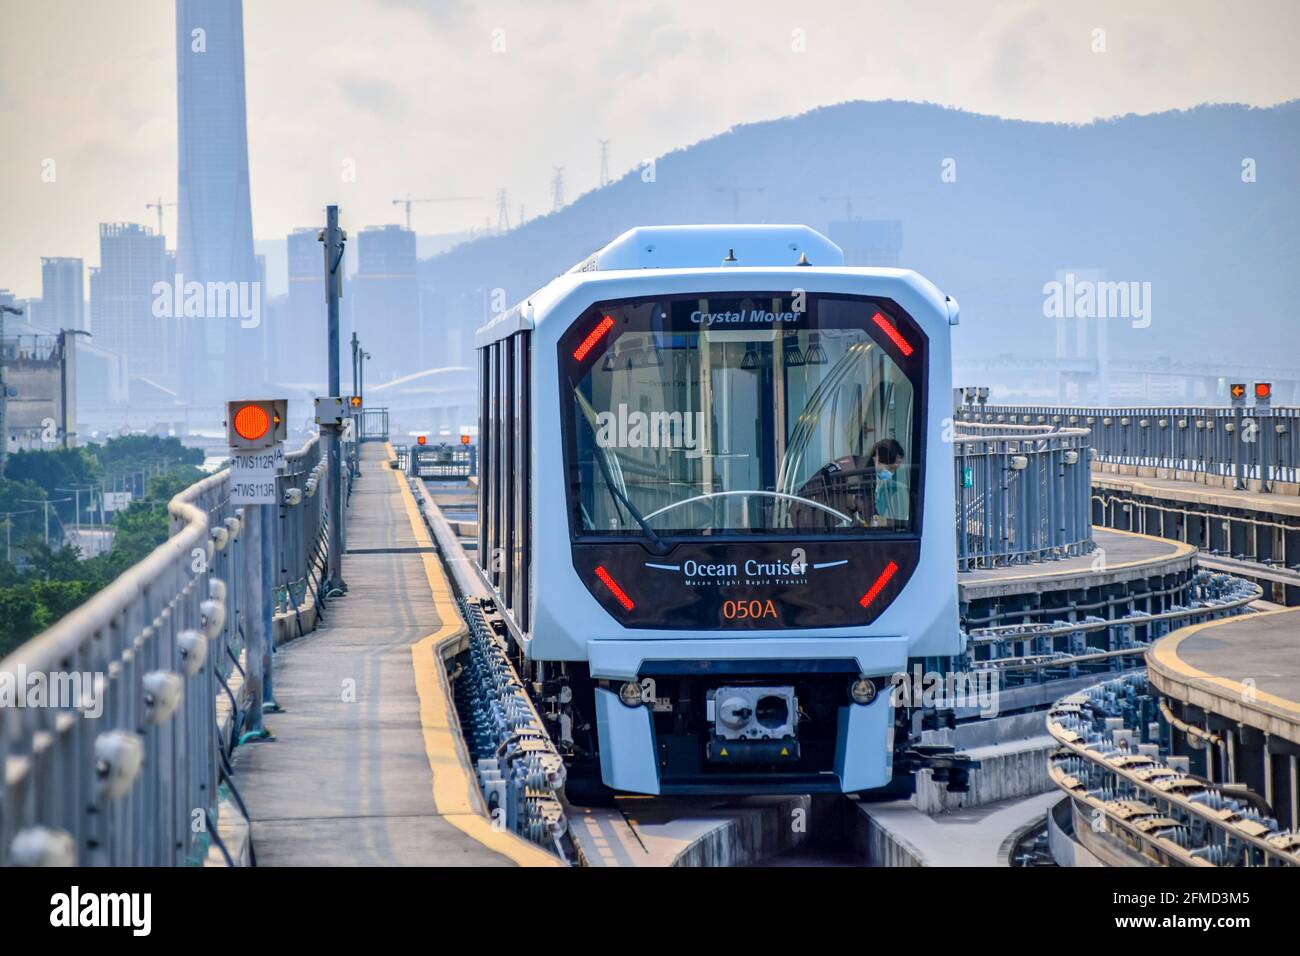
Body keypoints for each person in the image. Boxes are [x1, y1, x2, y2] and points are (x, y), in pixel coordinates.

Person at [870, 438, 907, 526]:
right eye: (891, 468)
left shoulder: (891, 487)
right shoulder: (862, 478)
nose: (891, 473)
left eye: (895, 470)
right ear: (878, 459)